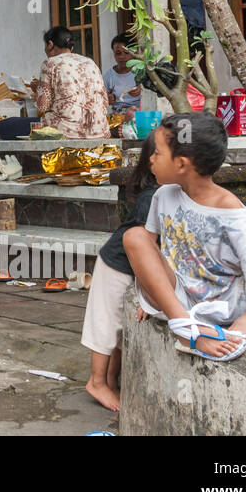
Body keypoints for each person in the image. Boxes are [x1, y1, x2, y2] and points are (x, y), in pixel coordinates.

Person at [124, 113, 246, 360]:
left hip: (230, 300)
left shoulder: (229, 208)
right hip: (181, 297)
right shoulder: (163, 195)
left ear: (182, 164)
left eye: (158, 153)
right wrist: (151, 294)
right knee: (134, 236)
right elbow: (148, 245)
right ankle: (186, 328)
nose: (150, 159)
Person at [83, 133, 158, 412]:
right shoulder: (152, 199)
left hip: (134, 267)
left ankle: (111, 379)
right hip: (116, 264)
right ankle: (97, 381)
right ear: (153, 162)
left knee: (119, 330)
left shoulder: (166, 195)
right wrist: (149, 293)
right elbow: (147, 247)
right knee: (105, 325)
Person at [0, 26, 110, 140]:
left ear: (50, 44)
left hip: (65, 130)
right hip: (99, 130)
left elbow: (43, 106)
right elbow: (105, 102)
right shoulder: (90, 62)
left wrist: (38, 90)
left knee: (4, 125)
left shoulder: (50, 63)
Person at [104, 33, 142, 115]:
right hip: (116, 117)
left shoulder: (142, 72)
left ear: (134, 53)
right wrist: (107, 99)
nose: (122, 56)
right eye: (118, 53)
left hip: (139, 116)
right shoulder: (108, 76)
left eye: (126, 53)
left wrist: (143, 91)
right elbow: (100, 99)